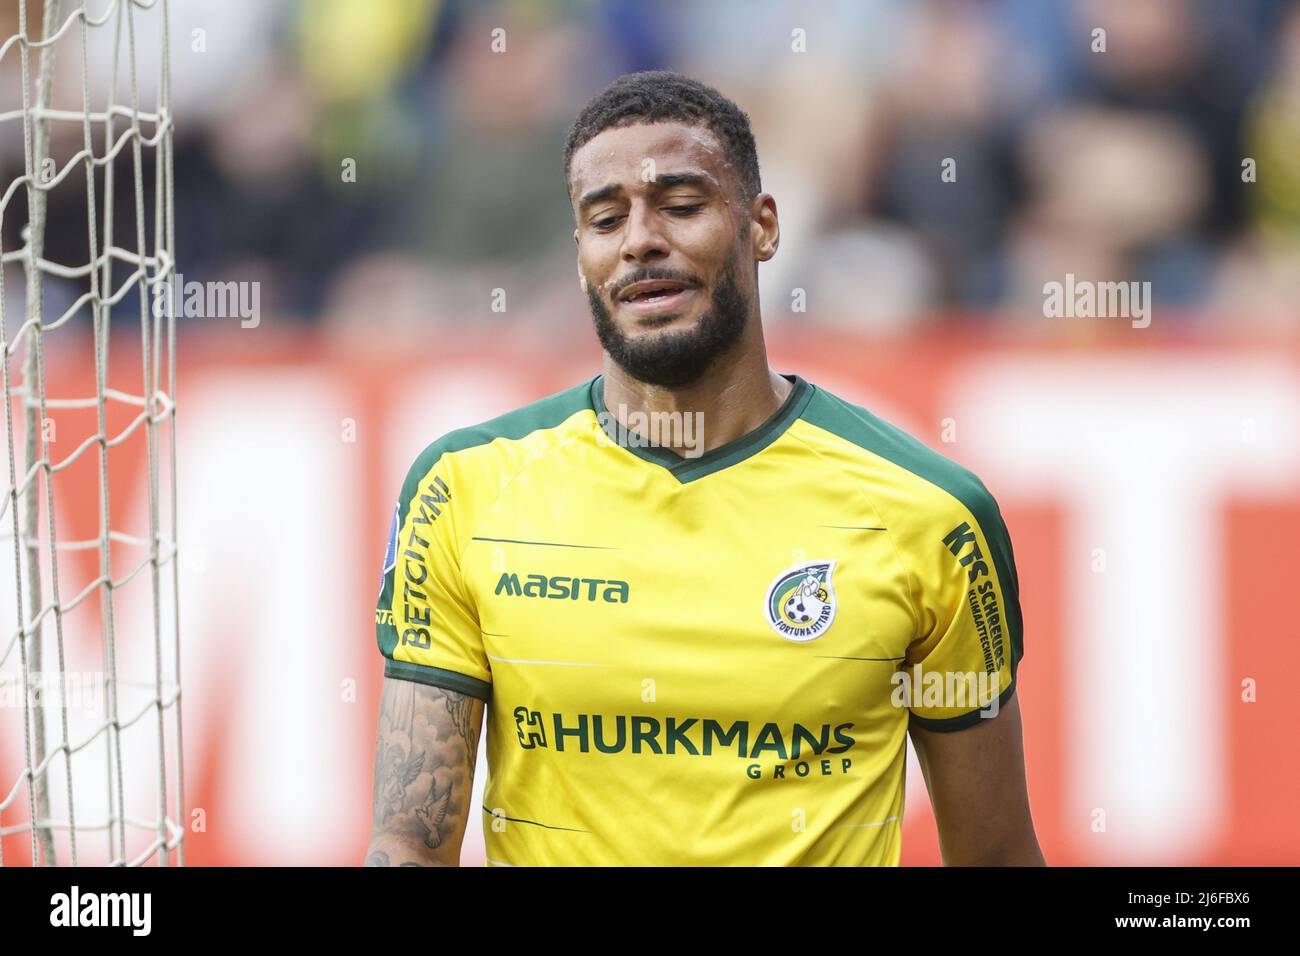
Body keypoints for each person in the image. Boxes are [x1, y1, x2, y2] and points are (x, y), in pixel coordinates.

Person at [365, 70, 1044, 867]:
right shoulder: (465, 489)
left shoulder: (932, 517)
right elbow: (408, 845)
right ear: (579, 252)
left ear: (761, 226)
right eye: (605, 218)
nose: (640, 240)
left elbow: (995, 855)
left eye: (682, 206)